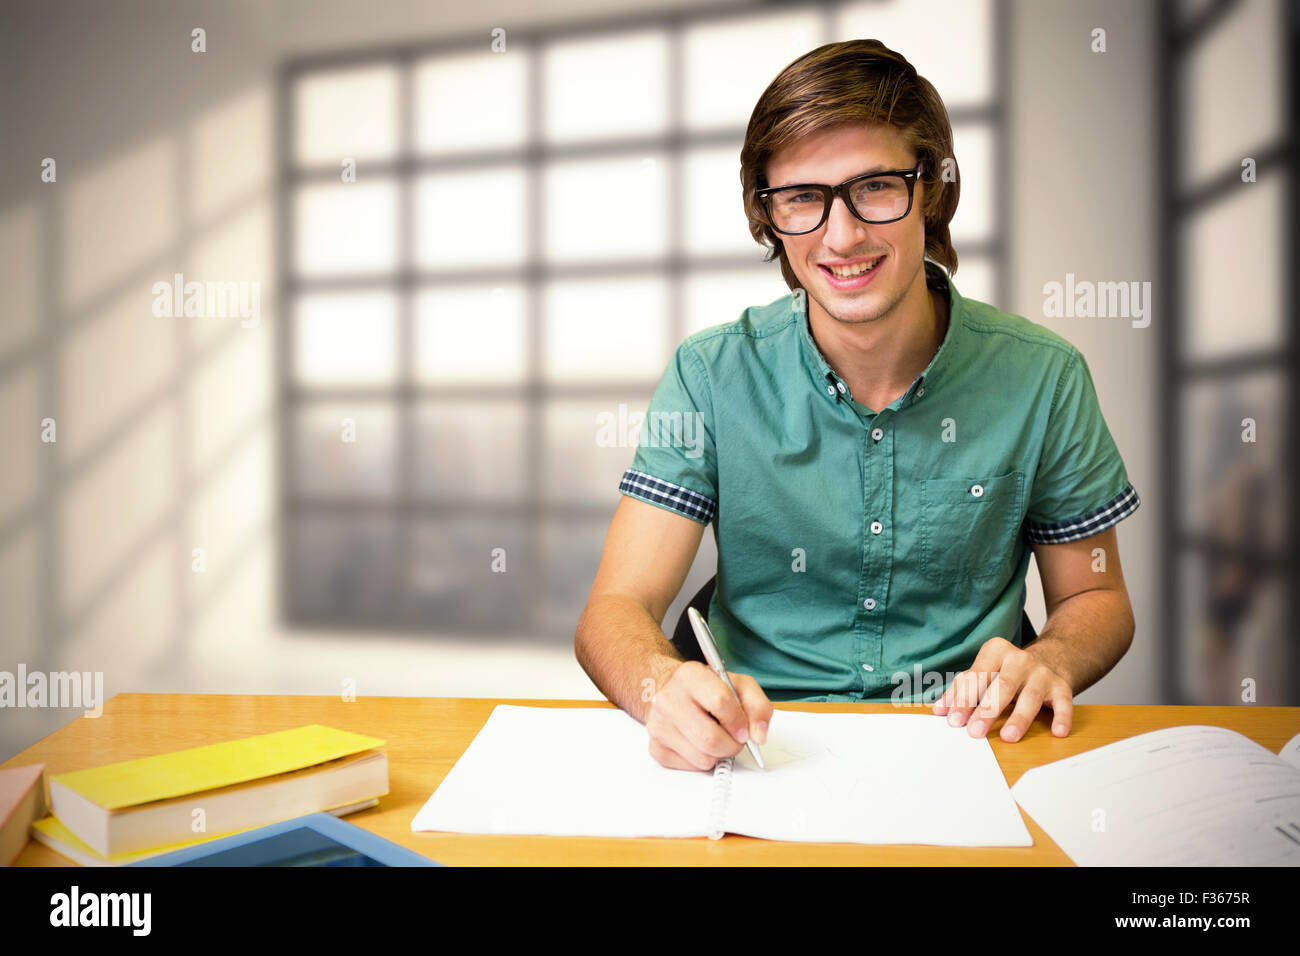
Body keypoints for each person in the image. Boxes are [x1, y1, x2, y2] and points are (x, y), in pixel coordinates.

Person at [574, 39, 1139, 772]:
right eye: (803, 198)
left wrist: (1054, 658)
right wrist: (660, 687)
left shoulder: (1043, 376)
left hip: (967, 747)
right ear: (769, 216)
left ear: (930, 190)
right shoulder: (710, 375)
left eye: (874, 186)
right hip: (756, 752)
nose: (842, 236)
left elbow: (1097, 593)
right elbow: (613, 609)